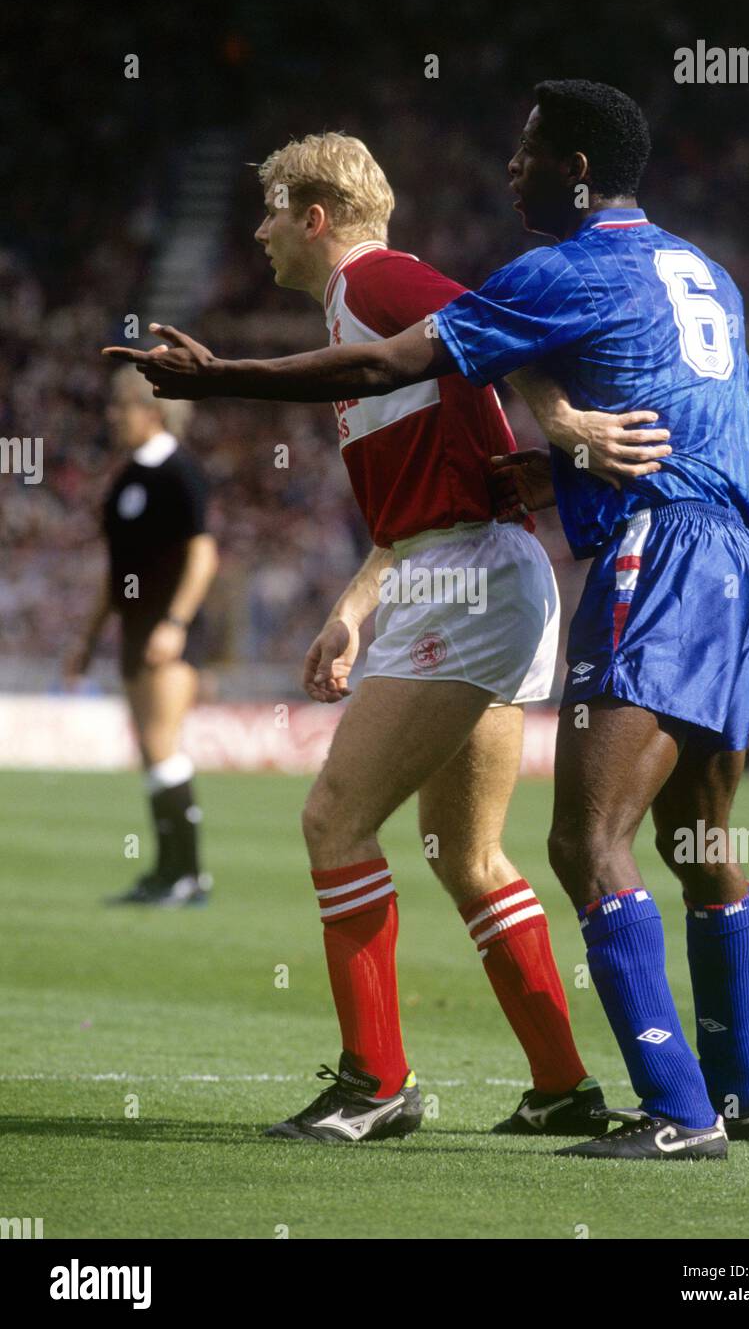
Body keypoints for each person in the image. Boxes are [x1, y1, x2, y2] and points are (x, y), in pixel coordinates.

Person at [107, 130, 671, 1143]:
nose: (259, 230)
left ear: (315, 218)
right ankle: (560, 1085)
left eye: (272, 211)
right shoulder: (356, 305)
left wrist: (572, 431)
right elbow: (424, 495)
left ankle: (376, 1082)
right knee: (467, 854)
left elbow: (507, 329)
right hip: (466, 570)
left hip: (470, 582)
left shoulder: (377, 282)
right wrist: (357, 602)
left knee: (332, 819)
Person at [66, 366, 218, 906]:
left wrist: (175, 624)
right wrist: (86, 640)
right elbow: (114, 573)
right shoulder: (125, 479)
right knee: (152, 753)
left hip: (168, 632)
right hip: (134, 631)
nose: (112, 416)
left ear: (150, 411)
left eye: (120, 406)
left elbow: (203, 554)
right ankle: (166, 873)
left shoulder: (180, 472)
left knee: (161, 745)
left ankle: (189, 874)